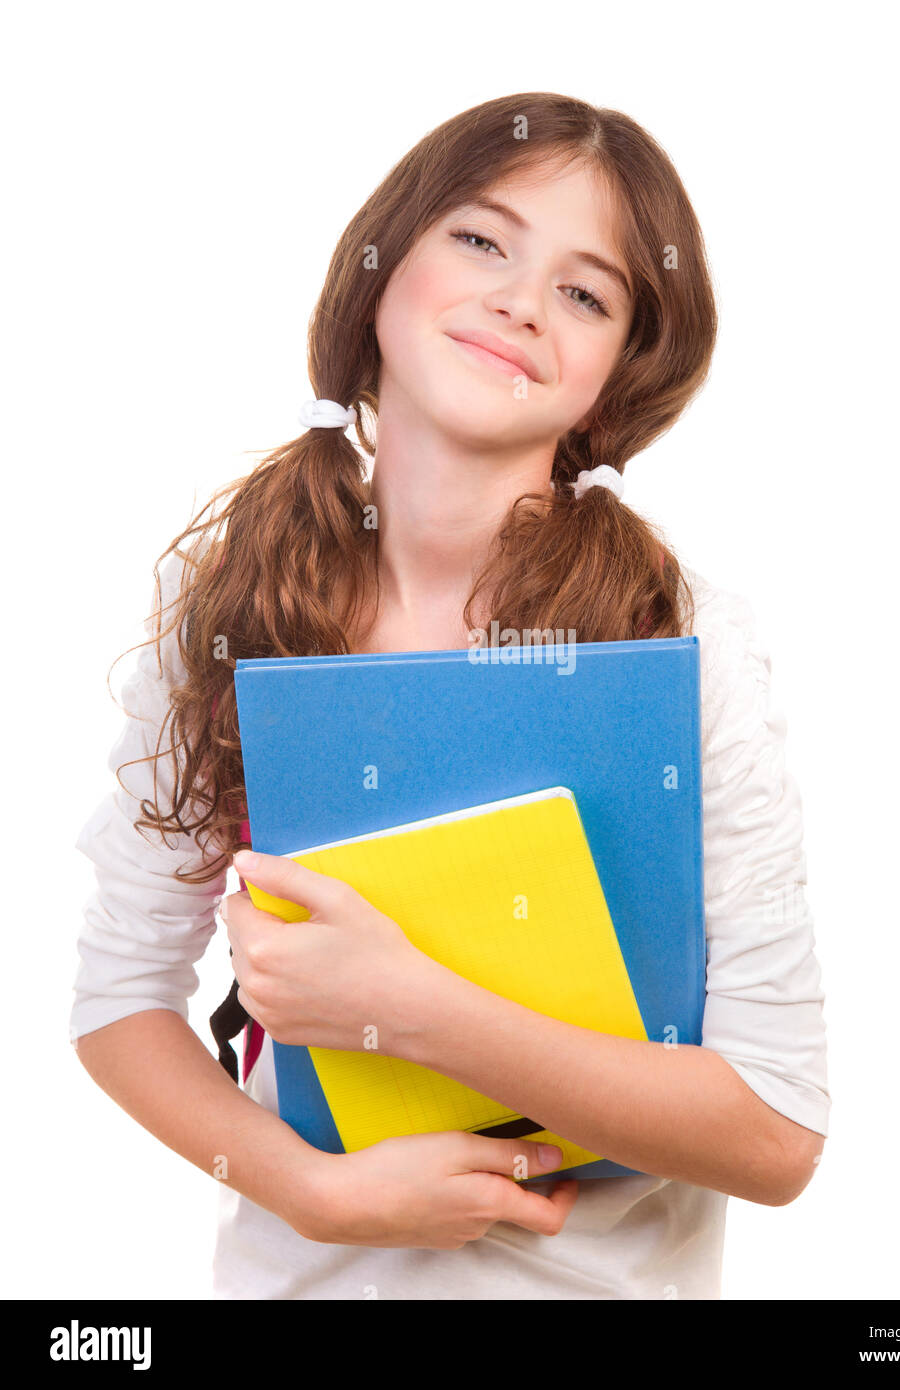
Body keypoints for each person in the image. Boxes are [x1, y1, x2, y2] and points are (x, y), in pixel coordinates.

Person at [70, 91, 830, 1300]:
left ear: (613, 379)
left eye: (587, 293)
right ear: (384, 264)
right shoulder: (229, 603)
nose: (523, 302)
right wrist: (313, 1189)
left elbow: (777, 1134)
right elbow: (118, 1004)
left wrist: (415, 1009)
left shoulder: (680, 641)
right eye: (482, 241)